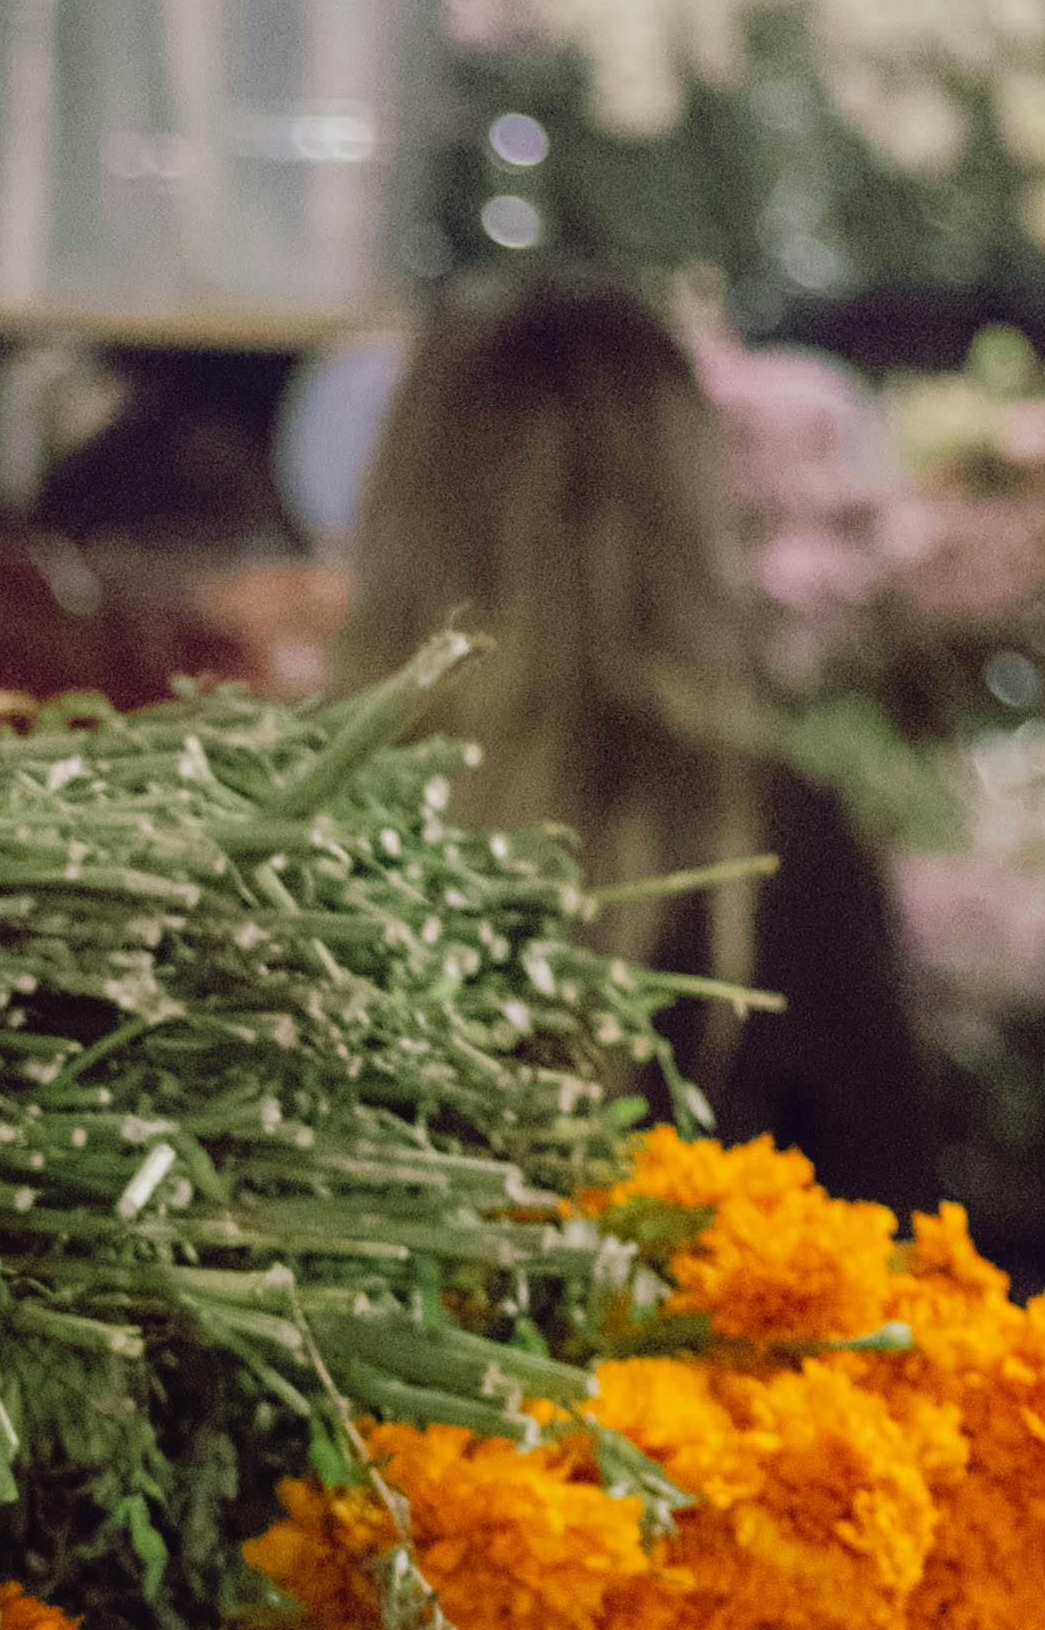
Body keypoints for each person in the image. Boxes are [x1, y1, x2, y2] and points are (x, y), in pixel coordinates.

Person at [335, 276, 934, 1216]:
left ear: (399, 499)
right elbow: (894, 1248)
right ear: (687, 509)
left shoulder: (292, 819)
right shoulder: (778, 844)